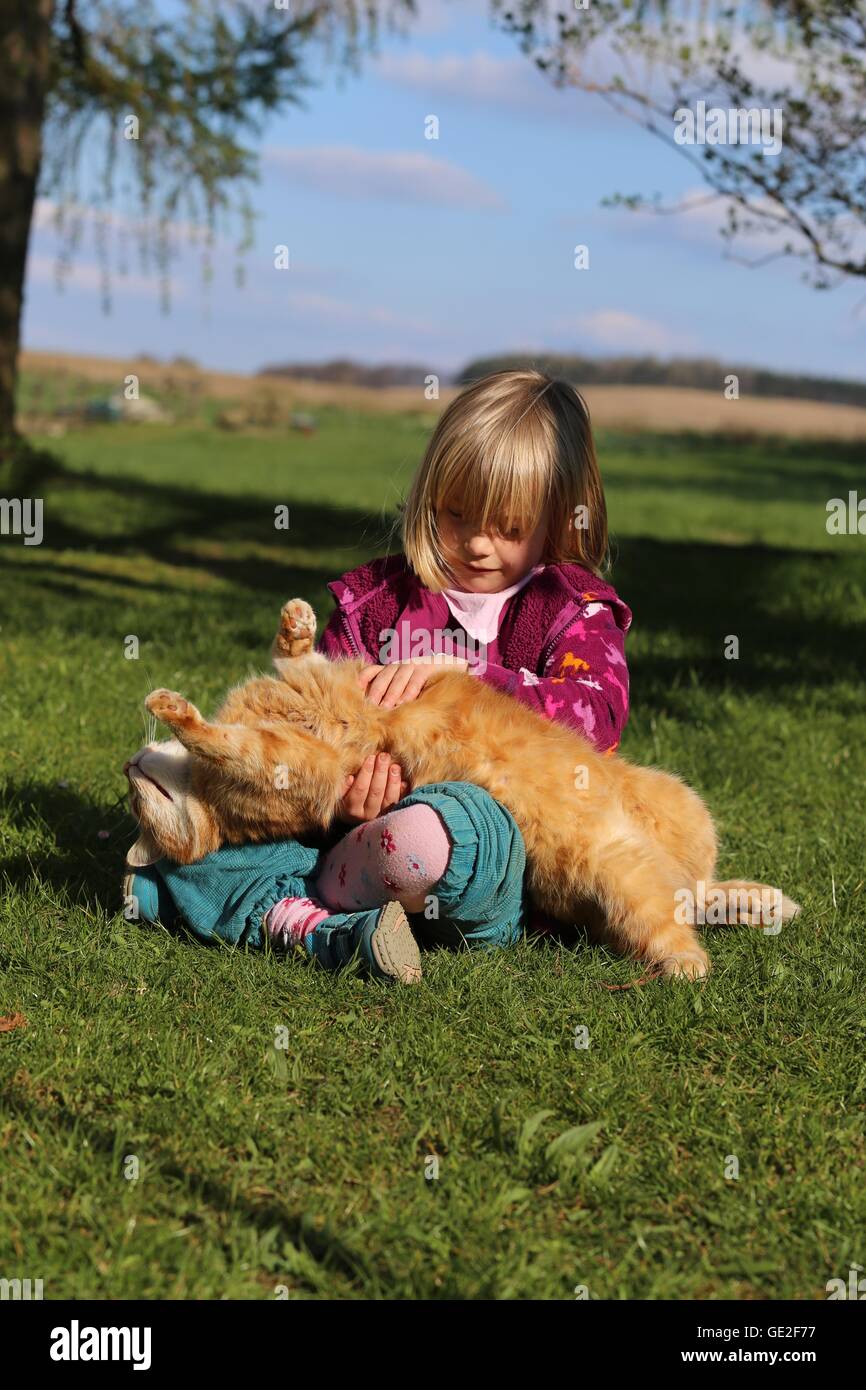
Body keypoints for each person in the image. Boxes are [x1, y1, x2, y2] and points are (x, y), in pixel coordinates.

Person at [126, 371, 632, 983]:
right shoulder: (382, 602)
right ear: (427, 496)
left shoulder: (571, 612)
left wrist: (475, 676)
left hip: (494, 856)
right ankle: (309, 923)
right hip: (339, 838)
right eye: (455, 514)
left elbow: (597, 715)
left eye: (510, 527)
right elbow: (320, 719)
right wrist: (337, 800)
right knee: (219, 785)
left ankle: (219, 900)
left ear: (561, 521)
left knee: (446, 828)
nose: (476, 543)